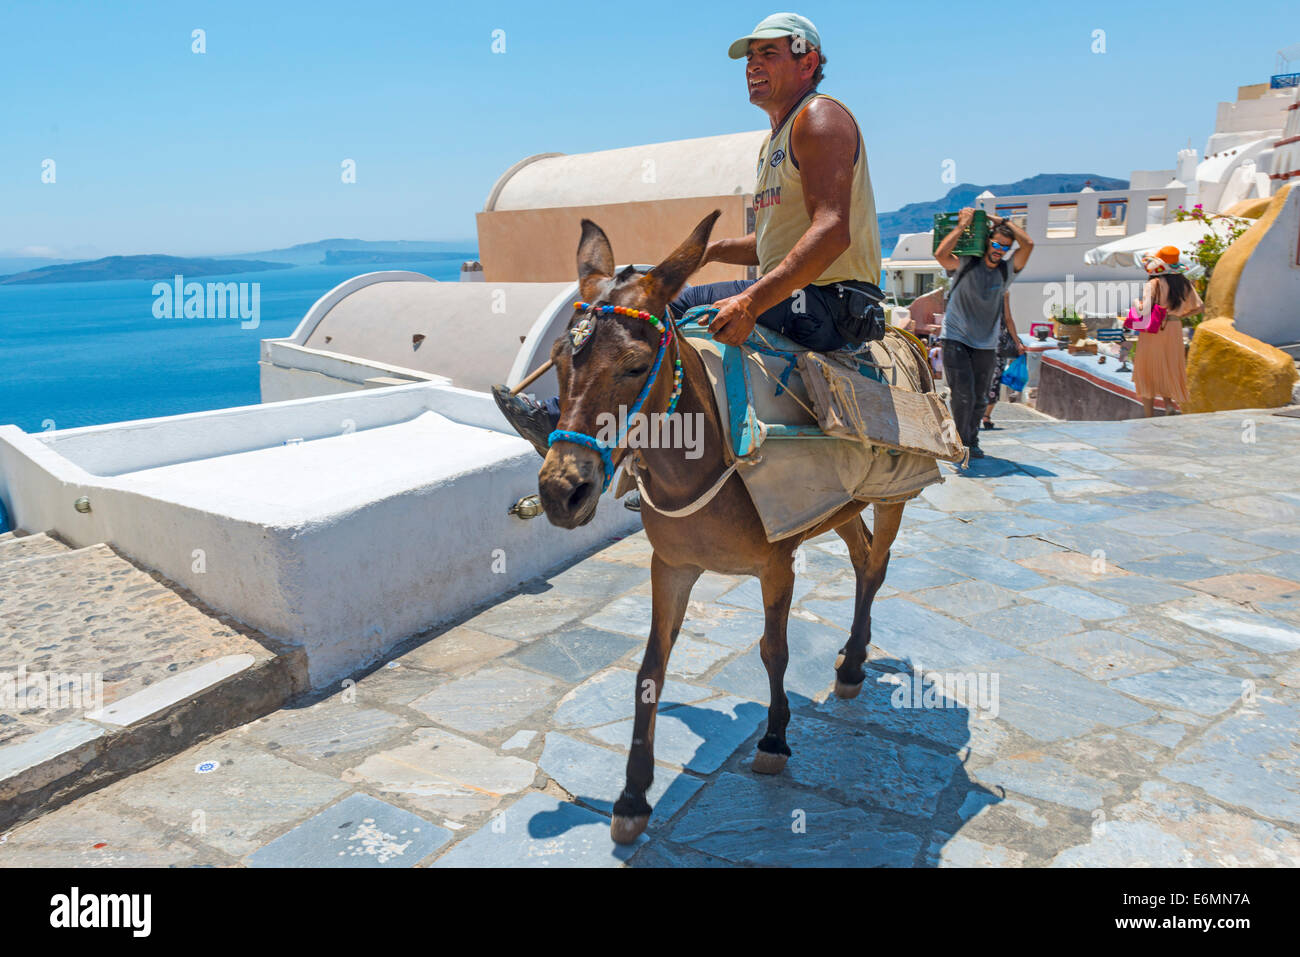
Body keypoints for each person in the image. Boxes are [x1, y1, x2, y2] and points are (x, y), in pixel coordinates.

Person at [493, 12, 884, 506]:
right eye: (749, 57)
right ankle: (649, 456)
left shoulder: (820, 119)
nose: (752, 65)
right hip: (803, 293)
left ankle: (577, 425)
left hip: (832, 303)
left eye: (769, 53)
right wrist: (716, 251)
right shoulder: (774, 140)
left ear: (808, 61)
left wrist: (751, 301)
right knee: (650, 317)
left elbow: (831, 231)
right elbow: (776, 243)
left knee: (656, 317)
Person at [933, 209, 1031, 458]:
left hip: (986, 343)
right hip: (955, 337)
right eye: (996, 242)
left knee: (979, 397)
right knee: (962, 393)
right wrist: (961, 227)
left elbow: (1028, 244)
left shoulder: (1005, 271)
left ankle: (970, 441)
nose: (999, 249)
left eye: (1005, 246)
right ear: (987, 241)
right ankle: (960, 442)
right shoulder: (966, 263)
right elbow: (941, 255)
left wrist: (1004, 222)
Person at [1127, 246, 1201, 417]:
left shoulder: (1154, 284)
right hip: (1174, 328)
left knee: (1148, 370)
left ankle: (1148, 415)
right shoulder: (1184, 284)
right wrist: (1181, 314)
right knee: (1168, 366)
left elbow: (1144, 310)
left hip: (1154, 329)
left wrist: (1135, 303)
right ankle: (1169, 405)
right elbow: (1200, 307)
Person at [982, 293, 1023, 429]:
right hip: (996, 345)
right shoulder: (1002, 292)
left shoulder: (975, 288)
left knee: (977, 379)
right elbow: (1008, 319)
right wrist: (1017, 342)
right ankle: (986, 416)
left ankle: (973, 414)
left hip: (977, 341)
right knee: (994, 381)